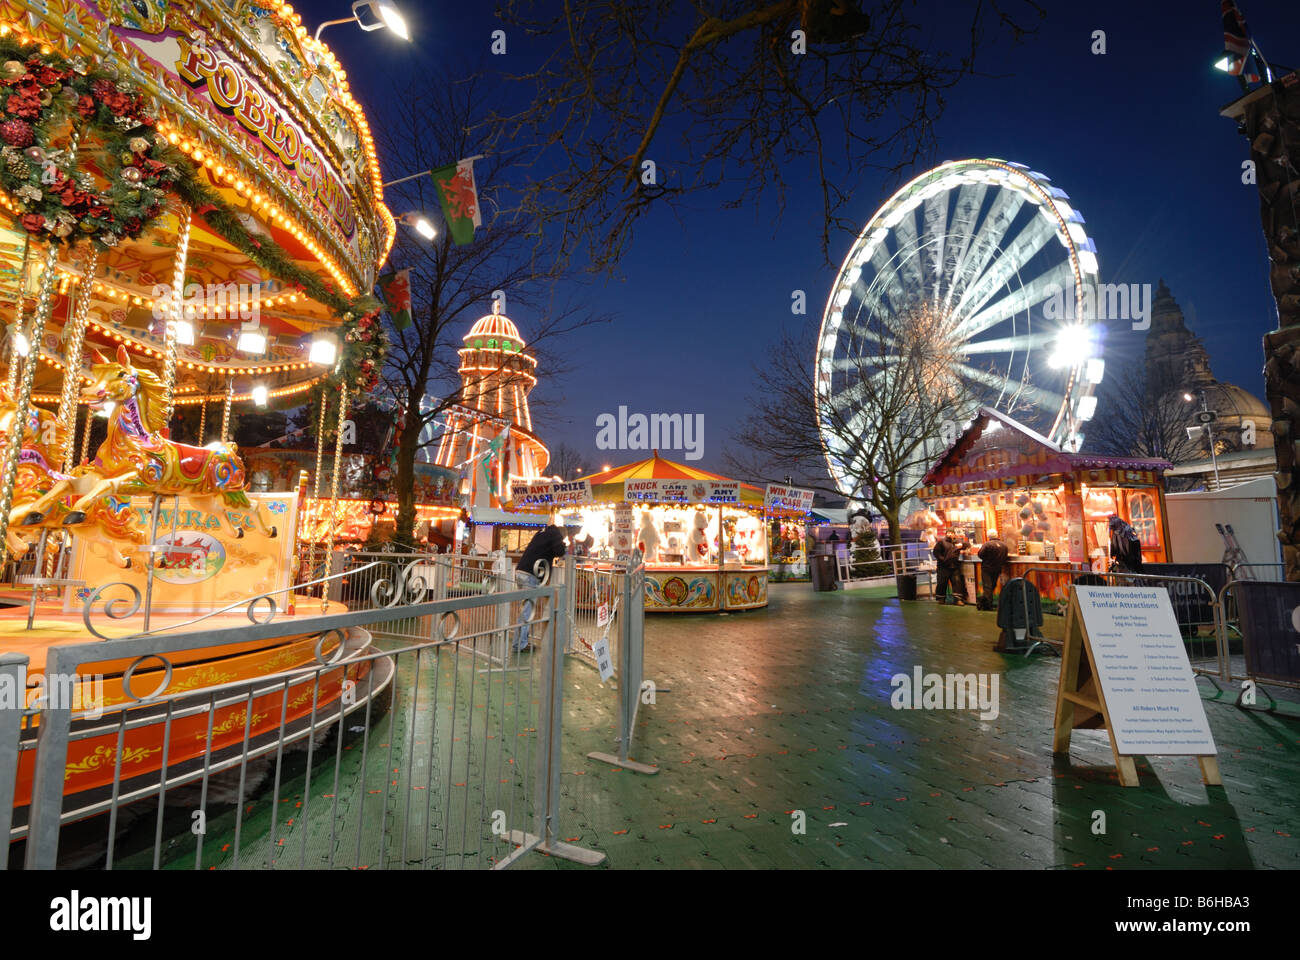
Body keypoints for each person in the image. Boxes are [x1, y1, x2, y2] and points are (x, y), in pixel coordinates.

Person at [513, 520, 568, 651]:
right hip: (530, 575)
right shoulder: (555, 534)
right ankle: (520, 645)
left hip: (521, 571)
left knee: (525, 609)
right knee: (527, 611)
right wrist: (564, 544)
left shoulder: (542, 532)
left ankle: (521, 642)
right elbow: (559, 551)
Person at [932, 532, 969, 605]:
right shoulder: (941, 542)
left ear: (954, 534)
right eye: (949, 532)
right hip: (943, 567)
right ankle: (941, 599)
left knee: (957, 583)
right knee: (941, 583)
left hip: (954, 566)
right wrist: (943, 560)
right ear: (946, 534)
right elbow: (936, 553)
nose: (950, 534)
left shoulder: (957, 542)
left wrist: (962, 545)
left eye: (952, 533)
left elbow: (968, 545)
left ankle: (958, 600)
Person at [976, 530, 1009, 609]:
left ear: (988, 536)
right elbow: (1005, 556)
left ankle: (986, 604)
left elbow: (980, 554)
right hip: (997, 568)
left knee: (987, 586)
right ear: (997, 535)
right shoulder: (1004, 545)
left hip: (987, 568)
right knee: (992, 585)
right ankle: (983, 603)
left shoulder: (987, 544)